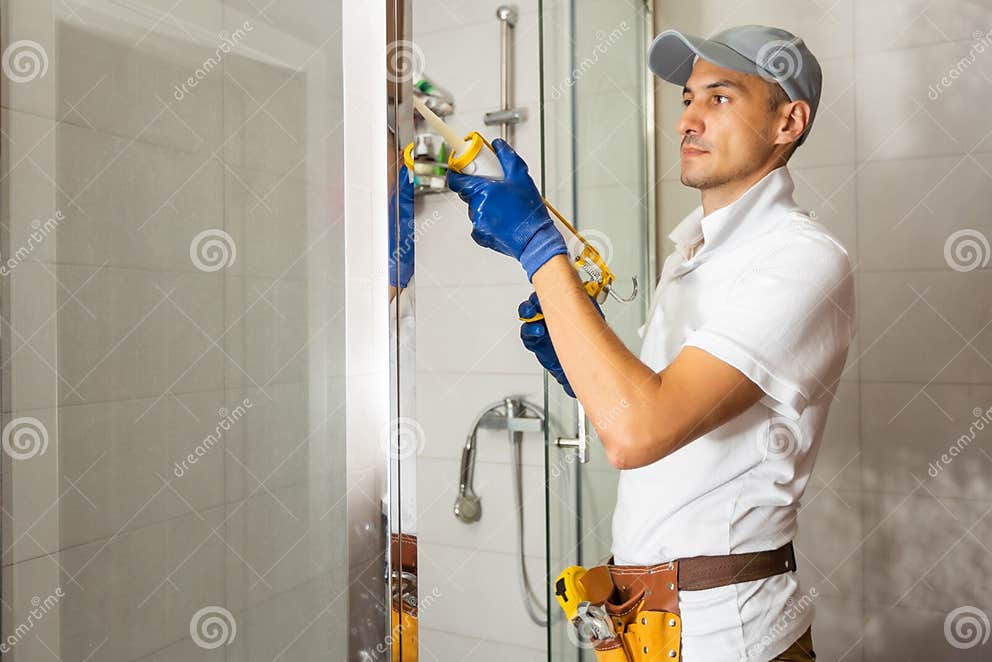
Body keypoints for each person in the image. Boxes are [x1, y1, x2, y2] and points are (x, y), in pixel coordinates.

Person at [447, 24, 854, 662]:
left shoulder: (801, 260)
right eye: (686, 99)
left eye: (719, 98)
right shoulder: (691, 252)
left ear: (788, 122)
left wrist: (538, 248)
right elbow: (659, 413)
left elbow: (639, 430)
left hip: (731, 640)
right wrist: (571, 360)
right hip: (650, 631)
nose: (687, 120)